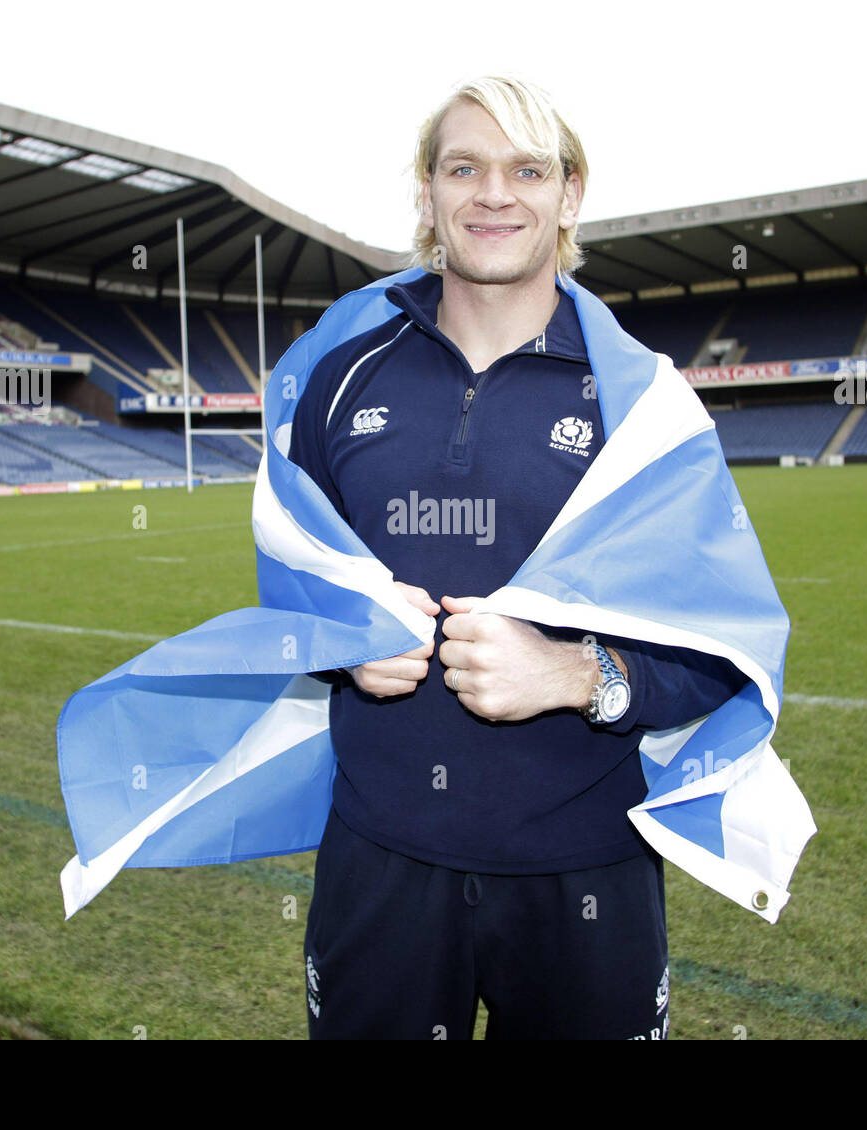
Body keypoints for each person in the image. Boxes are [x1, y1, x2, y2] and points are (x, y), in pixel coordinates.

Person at [286, 76, 750, 1040]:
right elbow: (298, 584)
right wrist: (343, 641)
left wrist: (576, 672)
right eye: (465, 166)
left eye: (527, 169)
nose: (494, 193)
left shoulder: (645, 405)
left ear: (569, 194)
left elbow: (719, 648)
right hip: (380, 866)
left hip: (585, 873)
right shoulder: (338, 380)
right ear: (428, 191)